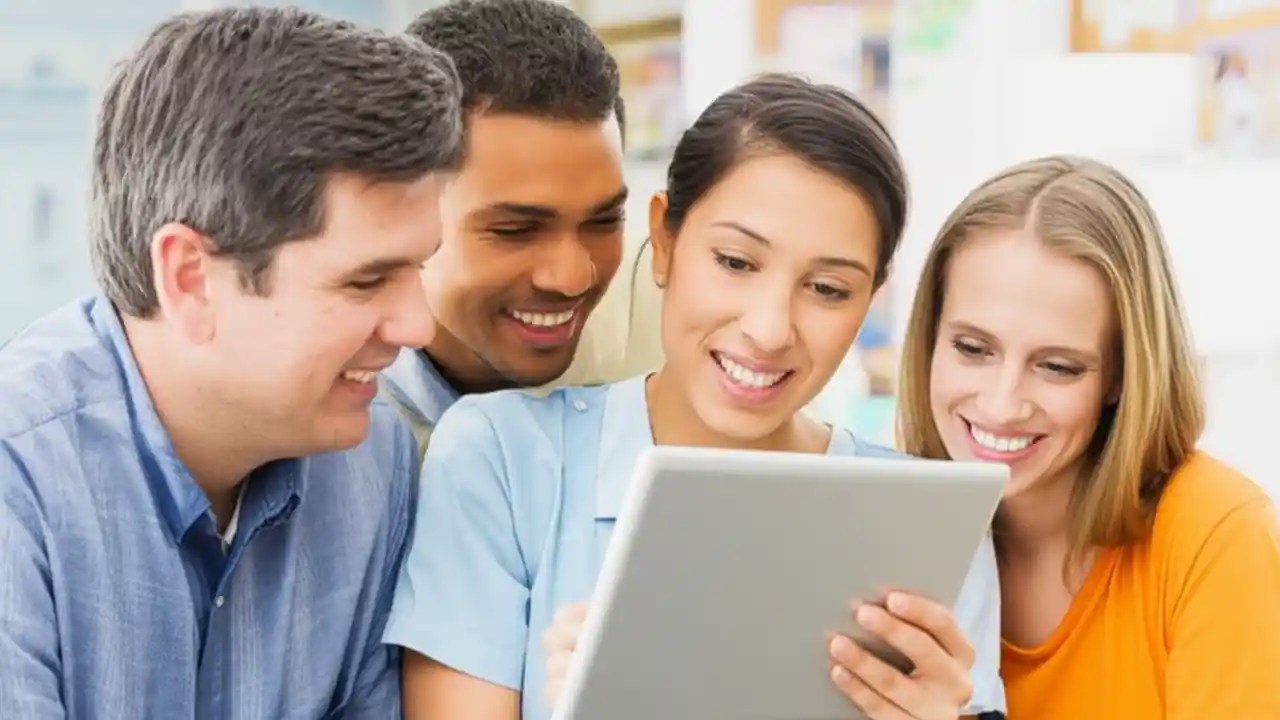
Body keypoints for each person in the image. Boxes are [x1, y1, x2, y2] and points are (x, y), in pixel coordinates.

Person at [384, 73, 1007, 720]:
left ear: (870, 301)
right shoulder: (503, 460)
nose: (769, 330)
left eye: (827, 289)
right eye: (736, 262)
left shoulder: (930, 528)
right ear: (666, 240)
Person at [0, 7, 462, 717]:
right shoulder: (19, 478)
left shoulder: (375, 461)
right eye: (367, 280)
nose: (418, 325)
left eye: (420, 269)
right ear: (190, 278)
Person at [895, 155, 1280, 718]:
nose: (1002, 405)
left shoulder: (1213, 533)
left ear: (1122, 376)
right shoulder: (890, 537)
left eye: (1057, 366)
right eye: (973, 349)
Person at [382, 0, 663, 457]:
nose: (572, 277)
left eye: (603, 220)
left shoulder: (683, 325)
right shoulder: (323, 412)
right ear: (398, 214)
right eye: (516, 230)